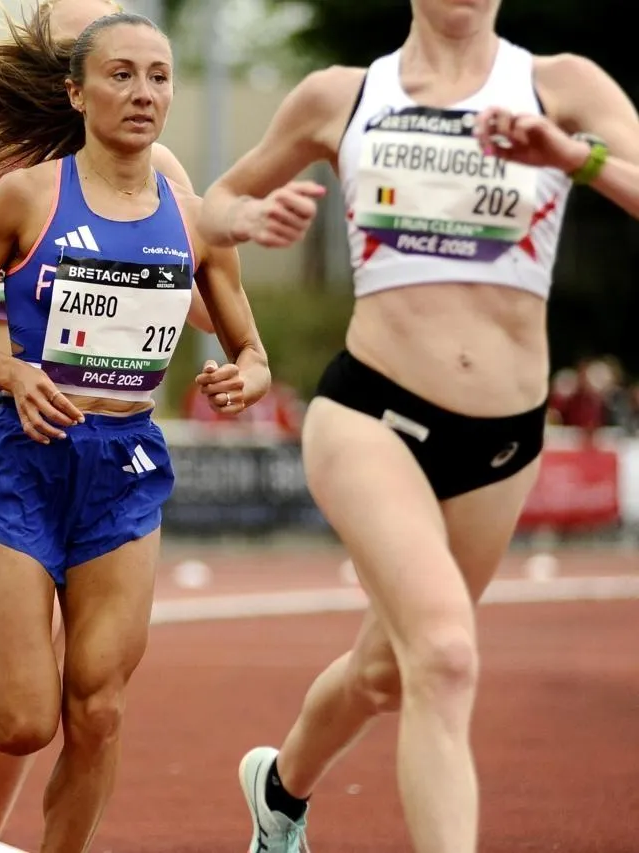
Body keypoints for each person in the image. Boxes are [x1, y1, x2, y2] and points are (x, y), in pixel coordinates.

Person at [193, 0, 639, 850]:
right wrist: (245, 219)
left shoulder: (560, 84)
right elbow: (216, 202)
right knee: (446, 654)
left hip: (502, 440)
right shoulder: (343, 95)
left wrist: (572, 156)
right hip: (371, 415)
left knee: (387, 669)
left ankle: (279, 791)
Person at [0, 12, 270, 850]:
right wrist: (10, 372)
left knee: (100, 708)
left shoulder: (194, 217)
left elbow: (251, 349)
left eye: (158, 76)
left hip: (126, 462)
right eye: (120, 75)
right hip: (25, 456)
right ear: (75, 92)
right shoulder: (24, 196)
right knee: (25, 723)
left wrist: (241, 377)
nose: (143, 92)